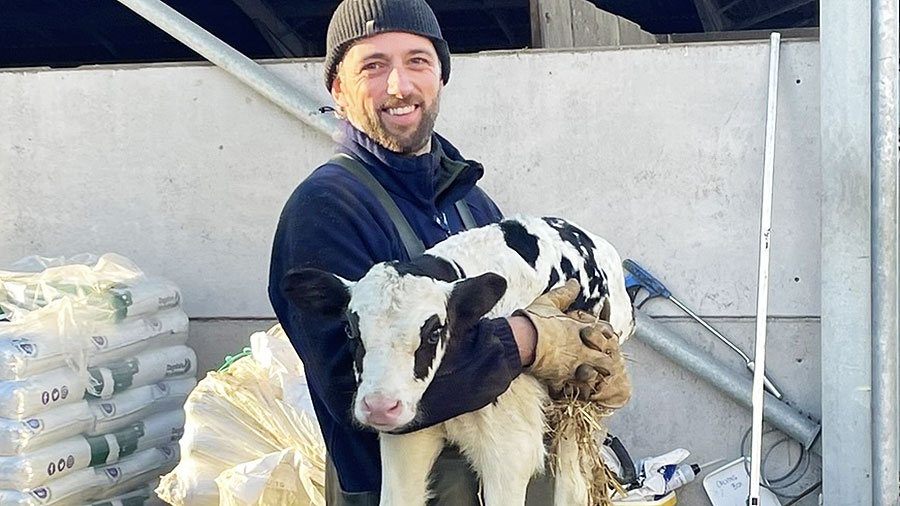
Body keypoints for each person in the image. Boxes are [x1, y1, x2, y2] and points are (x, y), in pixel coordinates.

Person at [268, 0, 617, 504]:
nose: (399, 85)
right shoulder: (328, 209)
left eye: (417, 61)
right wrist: (530, 339)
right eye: (373, 65)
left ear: (440, 77)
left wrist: (576, 365)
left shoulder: (471, 204)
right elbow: (358, 387)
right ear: (339, 90)